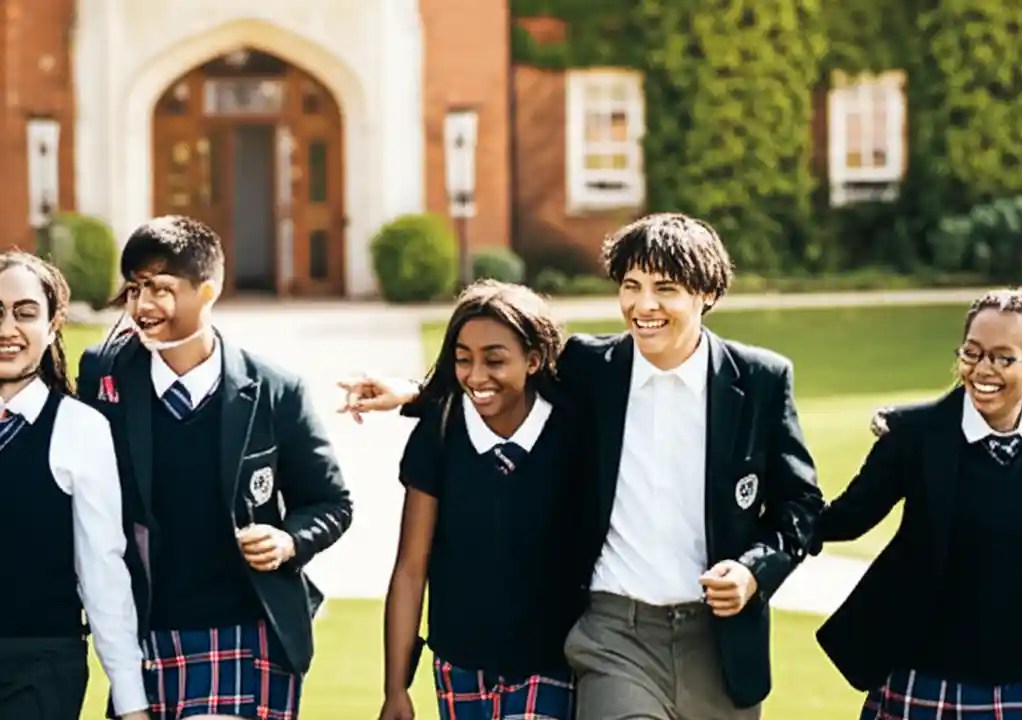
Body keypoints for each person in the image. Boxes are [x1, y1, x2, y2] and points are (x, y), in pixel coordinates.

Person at [342, 212, 823, 719]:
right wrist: (415, 394)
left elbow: (802, 505)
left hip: (719, 639)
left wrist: (754, 571)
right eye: (631, 286)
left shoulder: (761, 381)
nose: (644, 305)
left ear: (708, 294)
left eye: (666, 288)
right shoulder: (589, 367)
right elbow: (499, 382)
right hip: (615, 634)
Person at [76, 215, 353, 720]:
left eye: (161, 288)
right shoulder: (103, 372)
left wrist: (289, 540)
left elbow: (331, 503)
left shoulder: (275, 390)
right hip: (145, 632)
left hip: (249, 632)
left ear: (209, 290)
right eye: (135, 288)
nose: (142, 306)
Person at [816, 286, 1022, 718]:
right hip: (923, 674)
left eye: (1003, 357)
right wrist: (756, 515)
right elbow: (842, 520)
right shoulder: (914, 434)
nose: (983, 369)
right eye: (973, 353)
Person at [376, 280, 584, 720]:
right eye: (463, 360)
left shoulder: (573, 432)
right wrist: (395, 688)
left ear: (533, 360)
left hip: (550, 663)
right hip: (458, 664)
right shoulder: (439, 433)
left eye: (495, 360)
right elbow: (411, 568)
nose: (476, 376)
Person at [0, 251, 147, 720]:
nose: (7, 330)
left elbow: (103, 572)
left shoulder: (81, 428)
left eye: (25, 313)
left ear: (53, 323)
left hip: (41, 667)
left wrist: (130, 700)